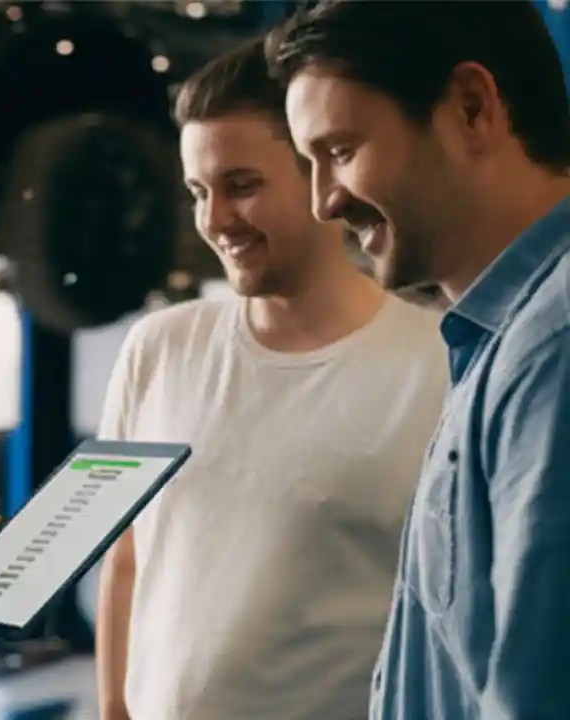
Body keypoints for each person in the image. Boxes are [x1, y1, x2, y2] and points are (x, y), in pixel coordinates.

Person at [94, 39, 449, 720]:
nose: (215, 220)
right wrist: (112, 707)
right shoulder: (156, 348)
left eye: (242, 186)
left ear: (321, 178)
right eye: (199, 192)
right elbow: (127, 555)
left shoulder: (434, 360)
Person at [268, 2, 570, 717]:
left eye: (339, 152)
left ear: (472, 108)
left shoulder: (553, 352)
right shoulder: (500, 340)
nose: (321, 202)